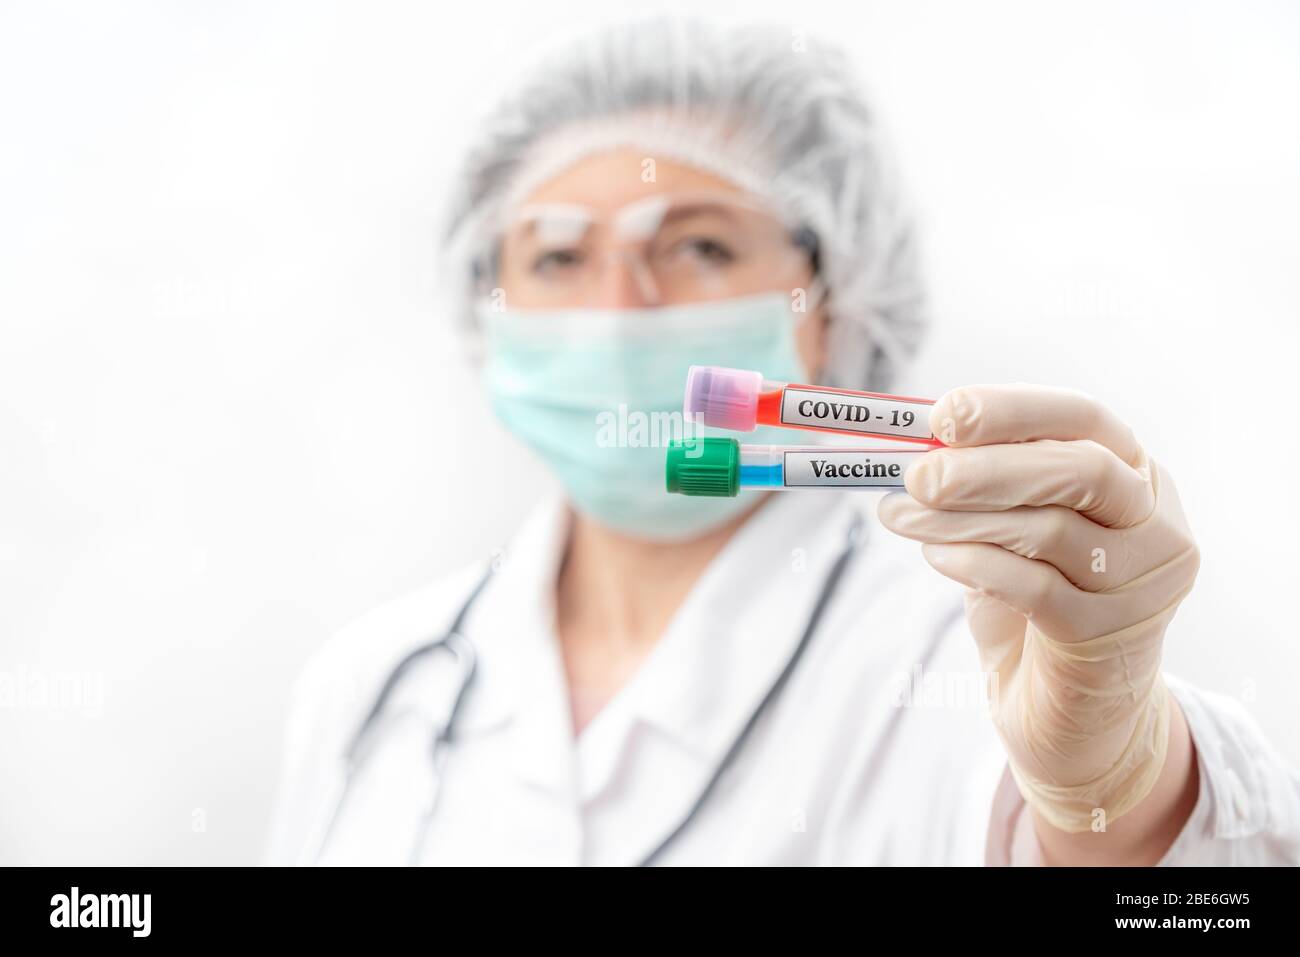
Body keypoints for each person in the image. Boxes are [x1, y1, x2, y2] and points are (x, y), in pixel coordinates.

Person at [265, 16, 1299, 866]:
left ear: (834, 296)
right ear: (484, 304)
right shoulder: (378, 683)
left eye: (700, 244)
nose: (622, 308)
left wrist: (1112, 783)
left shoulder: (975, 658)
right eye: (559, 254)